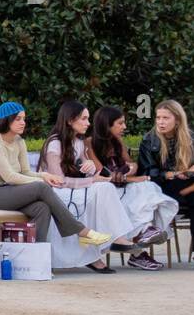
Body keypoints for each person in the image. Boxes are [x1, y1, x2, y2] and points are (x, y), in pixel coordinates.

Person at [0, 101, 113, 252]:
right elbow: (10, 177)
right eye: (18, 119)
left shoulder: (19, 141)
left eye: (24, 118)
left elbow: (25, 172)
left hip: (8, 192)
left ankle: (36, 256)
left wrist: (45, 175)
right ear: (6, 120)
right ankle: (81, 231)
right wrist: (42, 180)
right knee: (41, 187)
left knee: (42, 208)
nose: (23, 123)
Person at [39, 101, 150, 273]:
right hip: (55, 192)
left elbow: (87, 171)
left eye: (88, 119)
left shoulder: (78, 142)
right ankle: (116, 241)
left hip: (74, 188)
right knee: (102, 189)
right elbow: (57, 181)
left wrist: (89, 167)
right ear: (70, 120)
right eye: (83, 119)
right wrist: (92, 181)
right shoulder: (55, 144)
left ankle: (112, 243)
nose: (88, 123)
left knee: (105, 188)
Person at [88, 105, 175, 270]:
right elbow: (104, 175)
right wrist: (132, 177)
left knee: (148, 188)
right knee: (141, 193)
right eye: (120, 123)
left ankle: (146, 233)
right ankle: (139, 248)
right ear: (107, 124)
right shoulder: (90, 143)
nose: (124, 127)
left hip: (123, 186)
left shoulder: (117, 142)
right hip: (105, 191)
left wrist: (129, 170)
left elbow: (131, 163)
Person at [137, 99, 194, 219]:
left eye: (165, 118)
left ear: (177, 120)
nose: (160, 122)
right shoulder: (149, 140)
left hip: (188, 184)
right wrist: (173, 173)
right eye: (158, 118)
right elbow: (149, 173)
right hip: (161, 187)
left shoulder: (191, 138)